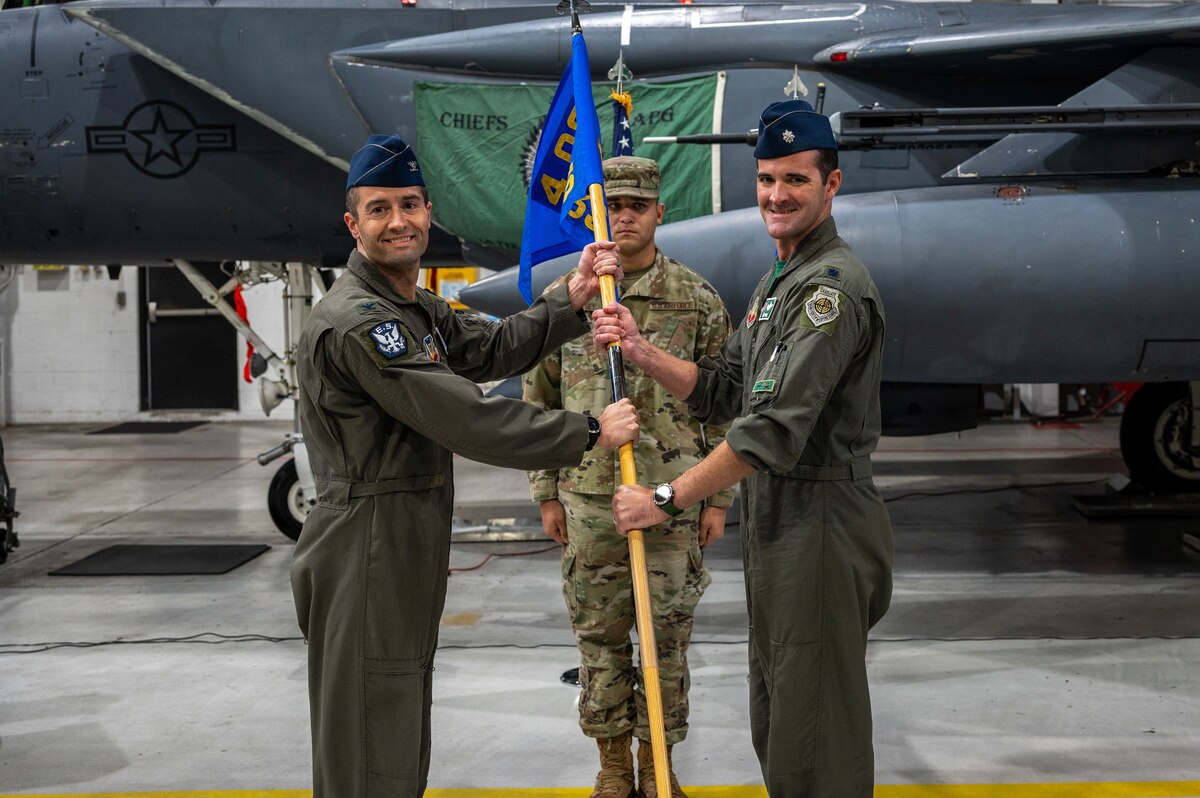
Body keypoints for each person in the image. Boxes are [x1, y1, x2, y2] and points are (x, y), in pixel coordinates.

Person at [290, 133, 640, 798]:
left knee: (392, 717)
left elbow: (492, 349)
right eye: (379, 209)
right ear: (353, 225)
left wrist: (572, 294)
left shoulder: (410, 307)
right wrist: (590, 431)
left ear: (428, 212)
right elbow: (466, 418)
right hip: (366, 540)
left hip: (398, 536)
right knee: (370, 730)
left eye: (409, 204)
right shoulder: (362, 322)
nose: (398, 221)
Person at [592, 101, 894, 798]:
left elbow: (770, 430)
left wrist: (664, 499)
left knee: (814, 724)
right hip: (781, 516)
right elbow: (726, 388)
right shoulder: (779, 281)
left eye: (795, 179)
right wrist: (640, 350)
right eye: (766, 179)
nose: (776, 195)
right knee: (783, 710)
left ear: (831, 184)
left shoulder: (829, 290)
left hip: (822, 518)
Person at [523, 156, 734, 798]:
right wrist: (546, 493)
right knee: (599, 640)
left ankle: (658, 768)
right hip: (590, 500)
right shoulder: (568, 300)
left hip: (672, 498)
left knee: (665, 643)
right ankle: (614, 769)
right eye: (612, 205)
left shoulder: (696, 299)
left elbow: (724, 405)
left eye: (637, 205)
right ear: (595, 213)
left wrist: (717, 499)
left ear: (659, 212)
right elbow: (540, 402)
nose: (624, 216)